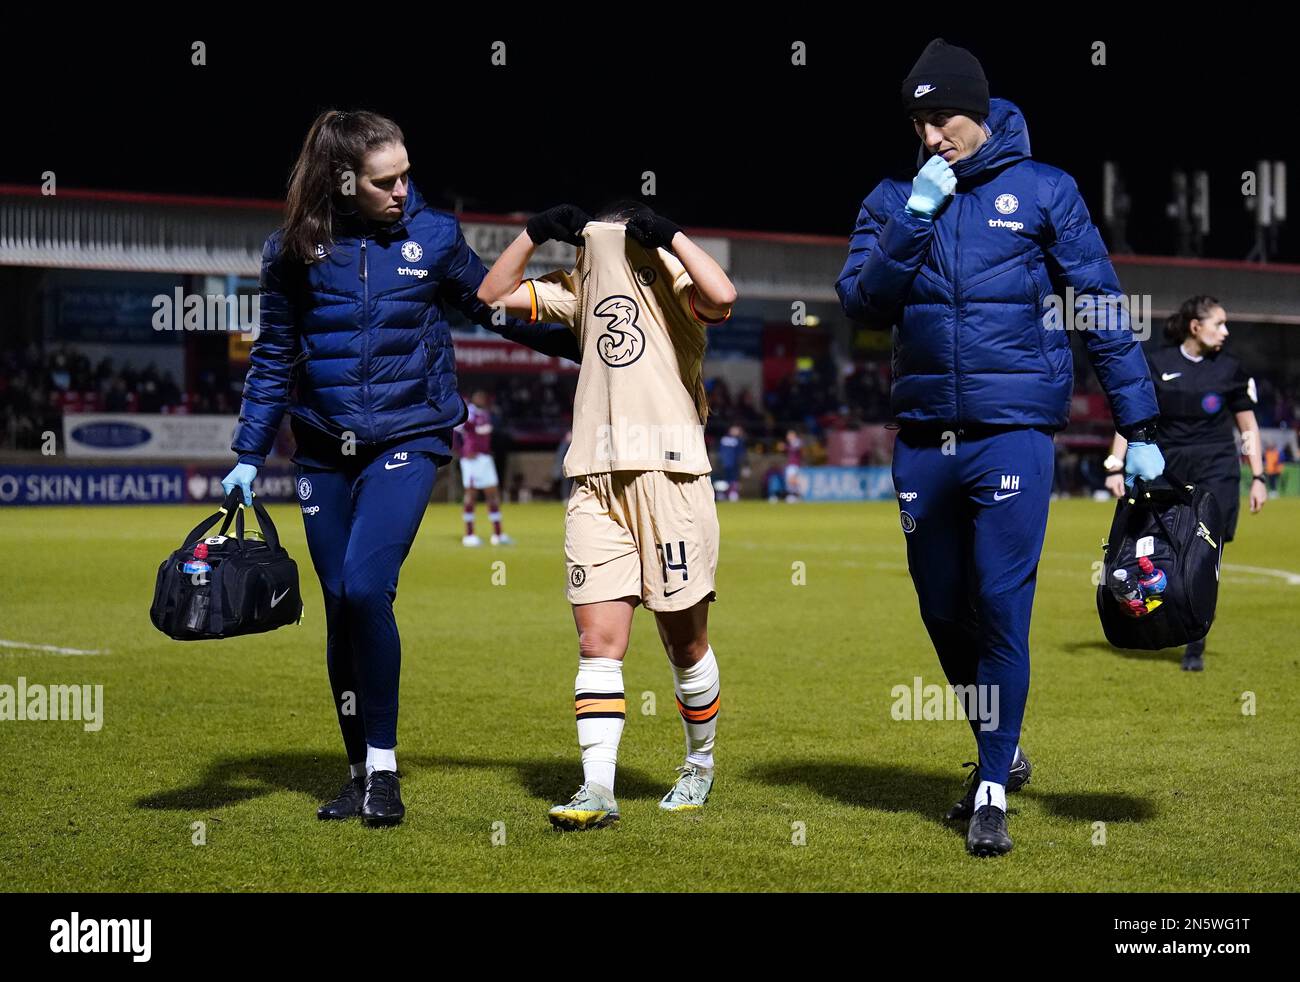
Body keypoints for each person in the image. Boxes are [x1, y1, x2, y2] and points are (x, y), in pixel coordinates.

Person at [836, 39, 1162, 856]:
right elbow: (864, 303)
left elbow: (1099, 304)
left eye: (942, 116)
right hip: (922, 437)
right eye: (917, 120)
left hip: (1014, 430)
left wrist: (1141, 422)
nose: (930, 133)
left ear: (979, 112)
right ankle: (1003, 745)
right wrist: (915, 216)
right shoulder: (892, 198)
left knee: (1003, 603)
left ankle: (989, 788)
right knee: (944, 608)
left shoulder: (1047, 190)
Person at [220, 110, 577, 828]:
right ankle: (355, 774)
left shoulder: (435, 235)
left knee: (364, 586)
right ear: (341, 181)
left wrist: (595, 349)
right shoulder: (292, 250)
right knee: (339, 607)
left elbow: (495, 309)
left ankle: (384, 771)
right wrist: (248, 454)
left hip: (408, 438)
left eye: (406, 174)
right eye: (385, 180)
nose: (401, 190)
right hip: (321, 450)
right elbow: (273, 356)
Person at [477, 201, 736, 829]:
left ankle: (699, 765)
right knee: (597, 641)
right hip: (594, 478)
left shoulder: (677, 288)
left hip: (671, 476)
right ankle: (598, 789)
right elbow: (492, 294)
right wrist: (536, 230)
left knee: (685, 640)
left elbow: (723, 295)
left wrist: (671, 233)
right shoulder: (578, 290)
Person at [1103, 296, 1266, 671]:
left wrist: (1258, 476)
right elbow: (1132, 418)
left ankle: (1194, 638)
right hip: (1167, 468)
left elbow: (1248, 428)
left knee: (1205, 551)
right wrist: (1115, 466)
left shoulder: (1231, 369)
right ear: (1196, 327)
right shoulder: (1157, 364)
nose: (1225, 332)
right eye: (1219, 324)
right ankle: (1155, 622)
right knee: (1158, 547)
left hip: (1218, 470)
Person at [456, 389, 511, 546]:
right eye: (479, 396)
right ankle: (469, 534)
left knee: (493, 494)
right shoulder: (469, 413)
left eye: (483, 397)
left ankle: (498, 534)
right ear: (474, 398)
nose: (481, 399)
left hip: (485, 458)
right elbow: (455, 431)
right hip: (472, 460)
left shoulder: (485, 414)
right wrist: (463, 451)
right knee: (471, 495)